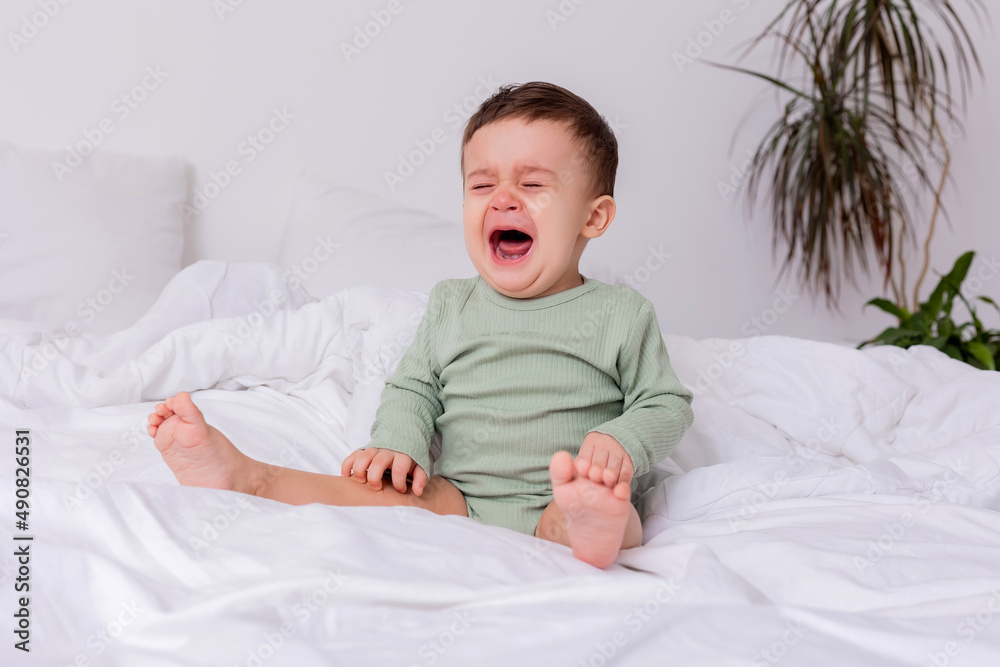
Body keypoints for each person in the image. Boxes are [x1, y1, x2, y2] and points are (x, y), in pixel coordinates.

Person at [147, 81, 694, 569]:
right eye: (482, 186)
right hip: (460, 498)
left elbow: (666, 403)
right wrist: (399, 445)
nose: (503, 199)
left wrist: (621, 441)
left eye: (532, 185)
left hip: (562, 495)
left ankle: (592, 524)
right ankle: (249, 477)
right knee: (378, 499)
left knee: (605, 511)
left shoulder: (621, 313)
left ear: (593, 217)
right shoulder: (451, 305)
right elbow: (414, 387)